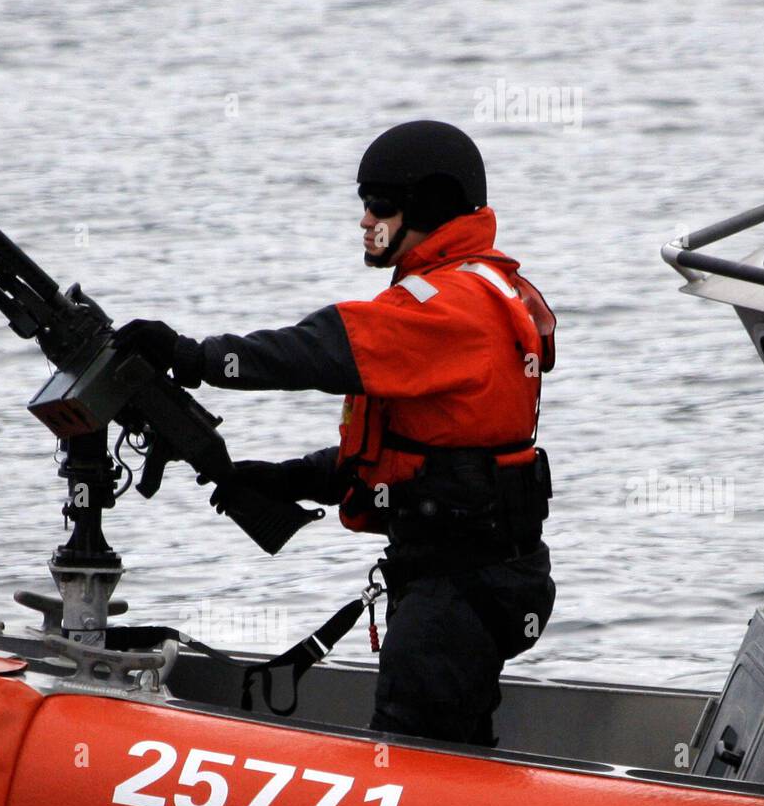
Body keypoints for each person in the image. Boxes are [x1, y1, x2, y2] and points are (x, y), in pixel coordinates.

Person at [114, 120, 556, 747]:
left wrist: (192, 356)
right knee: (455, 744)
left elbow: (319, 349)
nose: (364, 219)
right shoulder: (477, 284)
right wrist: (287, 477)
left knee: (417, 761)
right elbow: (422, 453)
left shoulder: (449, 305)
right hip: (470, 577)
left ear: (428, 205)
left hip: (456, 593)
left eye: (379, 203)